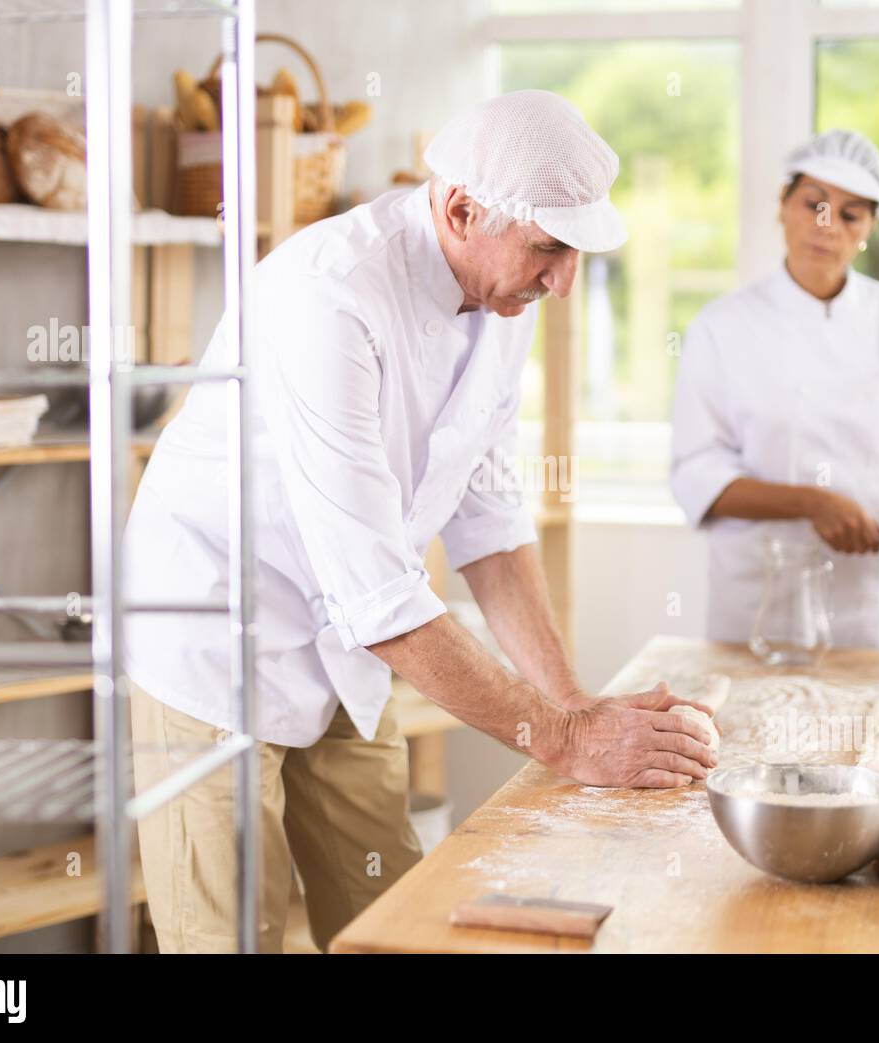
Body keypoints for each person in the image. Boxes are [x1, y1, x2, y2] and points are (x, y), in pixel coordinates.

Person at [123, 89, 717, 953]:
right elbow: (379, 596)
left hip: (349, 642)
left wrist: (571, 701)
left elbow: (488, 514)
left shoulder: (500, 295)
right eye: (549, 248)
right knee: (228, 934)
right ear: (461, 208)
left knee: (395, 916)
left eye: (576, 252)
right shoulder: (328, 296)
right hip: (217, 634)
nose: (562, 282)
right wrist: (566, 742)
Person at [671, 128, 879, 651]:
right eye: (813, 203)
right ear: (782, 203)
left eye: (850, 214)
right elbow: (697, 473)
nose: (827, 226)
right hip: (760, 608)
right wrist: (812, 502)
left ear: (868, 229)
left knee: (876, 730)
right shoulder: (722, 326)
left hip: (871, 610)